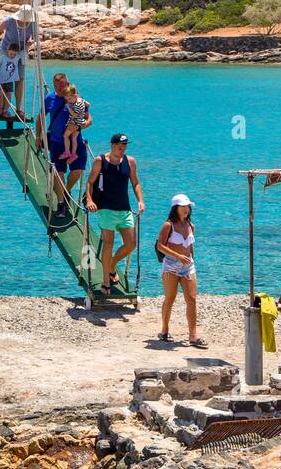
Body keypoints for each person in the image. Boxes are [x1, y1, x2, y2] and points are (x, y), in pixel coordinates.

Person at [85, 133, 145, 297]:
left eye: (125, 146)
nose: (122, 148)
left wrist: (140, 200)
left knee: (131, 244)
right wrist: (90, 200)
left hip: (124, 208)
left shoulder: (130, 161)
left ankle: (111, 264)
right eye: (120, 145)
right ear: (112, 145)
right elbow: (90, 182)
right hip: (105, 209)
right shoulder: (100, 161)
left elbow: (135, 182)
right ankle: (106, 281)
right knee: (108, 244)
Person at [156, 193, 206, 348]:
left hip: (188, 266)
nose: (186, 209)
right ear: (175, 208)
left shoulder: (191, 226)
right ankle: (164, 330)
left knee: (191, 298)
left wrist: (191, 259)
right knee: (170, 298)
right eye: (183, 207)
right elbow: (160, 246)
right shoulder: (168, 225)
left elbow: (190, 246)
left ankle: (193, 335)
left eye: (187, 207)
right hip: (171, 265)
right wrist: (177, 256)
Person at [43, 72, 92, 222]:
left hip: (76, 139)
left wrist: (85, 124)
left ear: (67, 84)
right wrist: (39, 136)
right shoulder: (50, 98)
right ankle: (61, 203)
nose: (59, 88)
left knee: (77, 171)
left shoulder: (77, 99)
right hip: (57, 142)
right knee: (60, 173)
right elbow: (41, 116)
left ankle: (66, 191)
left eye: (62, 85)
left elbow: (88, 118)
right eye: (56, 86)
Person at [0, 4, 36, 119]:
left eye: (26, 20)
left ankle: (18, 109)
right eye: (22, 20)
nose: (24, 22)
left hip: (20, 54)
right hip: (6, 53)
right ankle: (0, 107)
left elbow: (36, 38)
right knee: (4, 80)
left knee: (20, 80)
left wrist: (30, 43)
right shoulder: (9, 21)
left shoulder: (33, 24)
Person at [59, 84, 90, 162]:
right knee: (73, 138)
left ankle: (67, 152)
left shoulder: (76, 104)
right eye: (67, 99)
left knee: (65, 136)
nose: (69, 101)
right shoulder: (81, 100)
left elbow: (74, 114)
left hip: (74, 123)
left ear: (75, 95)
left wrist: (68, 107)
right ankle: (74, 154)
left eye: (70, 98)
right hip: (79, 123)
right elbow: (88, 104)